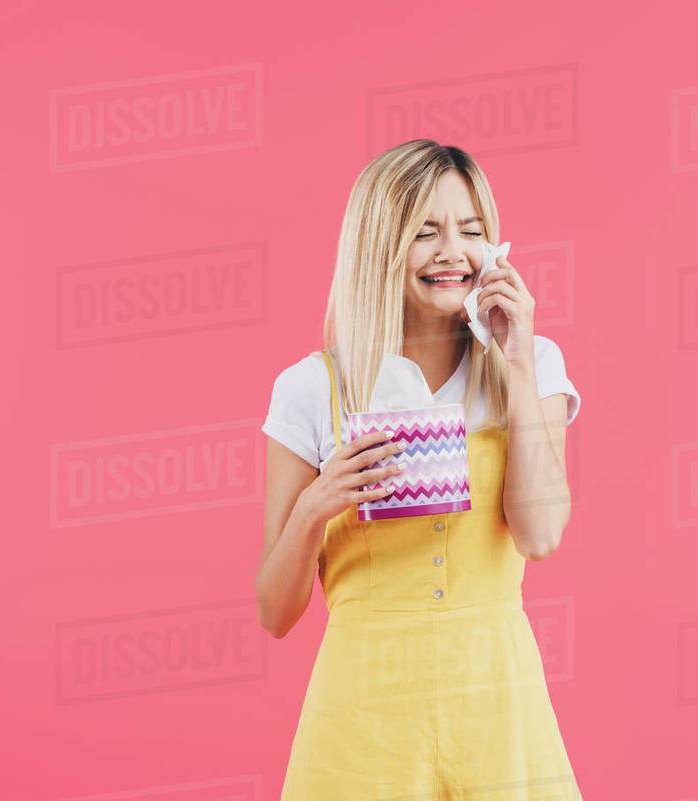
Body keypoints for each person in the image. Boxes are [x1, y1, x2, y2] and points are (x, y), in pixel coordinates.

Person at [257, 139, 583, 800]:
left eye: (471, 230)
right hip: (362, 726)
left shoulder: (532, 364)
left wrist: (517, 360)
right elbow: (275, 611)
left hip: (497, 711)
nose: (452, 252)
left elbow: (541, 535)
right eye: (425, 232)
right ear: (379, 243)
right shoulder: (311, 388)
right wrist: (318, 503)